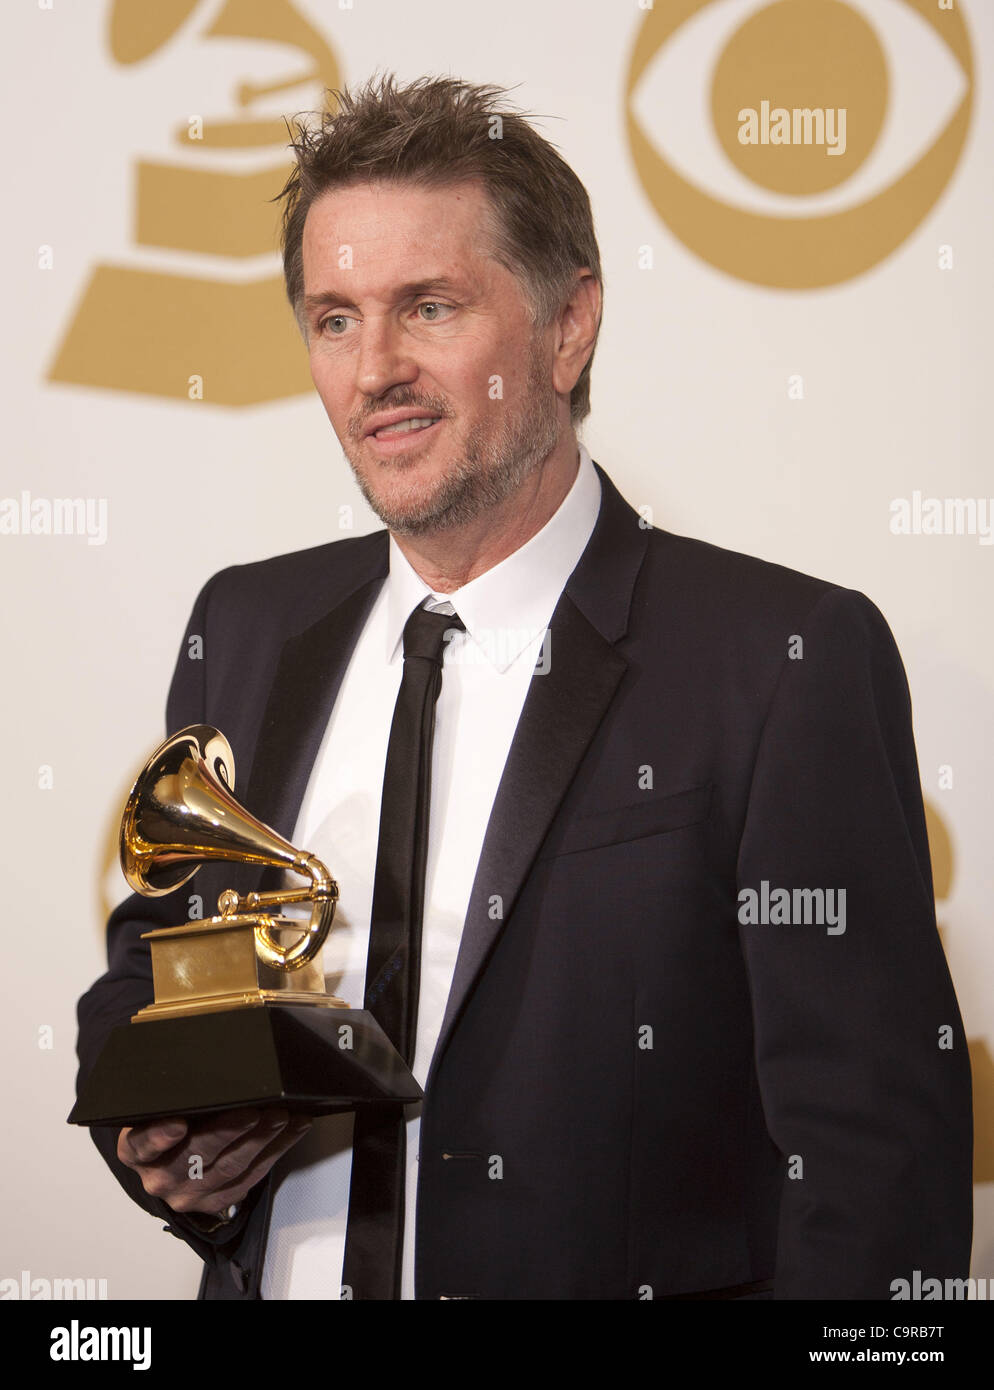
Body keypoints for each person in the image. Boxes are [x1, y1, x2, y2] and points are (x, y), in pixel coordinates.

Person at [76, 74, 973, 1301]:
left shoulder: (781, 659)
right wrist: (169, 1147)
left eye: (427, 307)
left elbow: (876, 1164)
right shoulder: (248, 622)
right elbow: (149, 968)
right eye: (333, 318)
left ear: (568, 324)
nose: (372, 368)